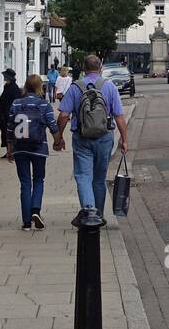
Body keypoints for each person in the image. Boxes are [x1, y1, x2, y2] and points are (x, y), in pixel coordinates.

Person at [55, 55, 129, 225]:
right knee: (99, 178)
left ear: (83, 68)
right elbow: (119, 116)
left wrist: (59, 137)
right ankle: (100, 215)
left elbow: (64, 115)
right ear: (101, 67)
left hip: (82, 137)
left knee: (83, 176)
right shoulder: (109, 87)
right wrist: (124, 140)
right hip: (105, 137)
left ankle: (89, 212)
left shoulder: (75, 88)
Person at [11, 74, 59, 230]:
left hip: (20, 148)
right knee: (38, 180)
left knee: (25, 183)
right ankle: (35, 210)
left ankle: (26, 222)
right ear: (40, 87)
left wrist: (10, 147)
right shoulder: (44, 104)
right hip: (39, 147)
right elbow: (53, 126)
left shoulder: (16, 103)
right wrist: (58, 141)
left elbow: (9, 126)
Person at [0, 69, 22, 161]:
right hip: (5, 113)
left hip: (10, 113)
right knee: (6, 133)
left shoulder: (14, 87)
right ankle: (9, 151)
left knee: (11, 133)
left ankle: (12, 151)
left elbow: (15, 101)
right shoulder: (7, 86)